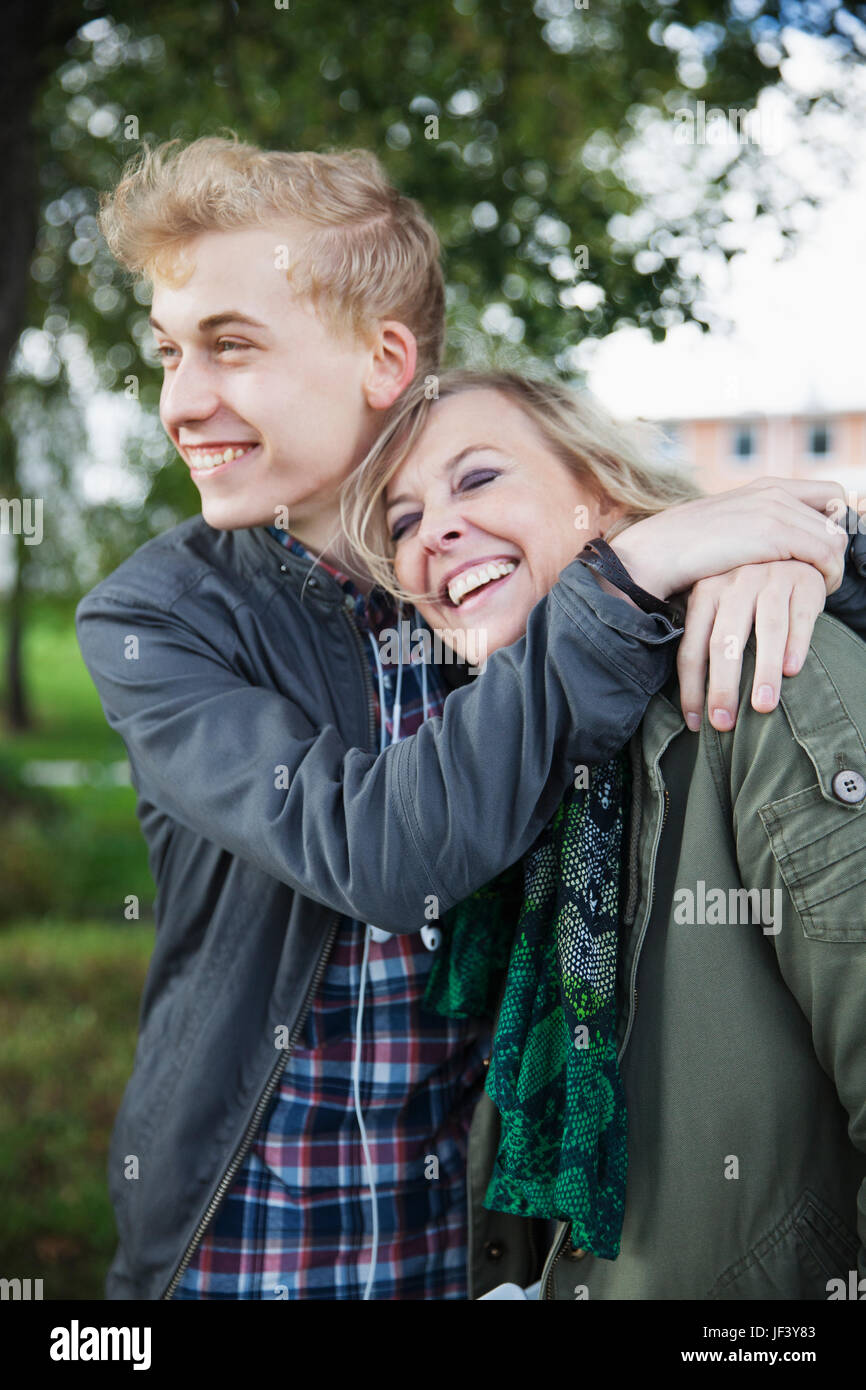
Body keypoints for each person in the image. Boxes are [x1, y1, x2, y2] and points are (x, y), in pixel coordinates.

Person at [77, 135, 862, 1302]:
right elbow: (379, 850)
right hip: (249, 1244)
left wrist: (809, 562)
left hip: (475, 1247)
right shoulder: (160, 614)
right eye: (167, 354)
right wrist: (634, 576)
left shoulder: (526, 590)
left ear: (382, 355)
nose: (180, 402)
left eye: (228, 346)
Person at [343, 367, 866, 1300]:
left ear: (605, 488)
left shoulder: (765, 678)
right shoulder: (507, 774)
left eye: (475, 480)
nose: (437, 533)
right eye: (404, 523)